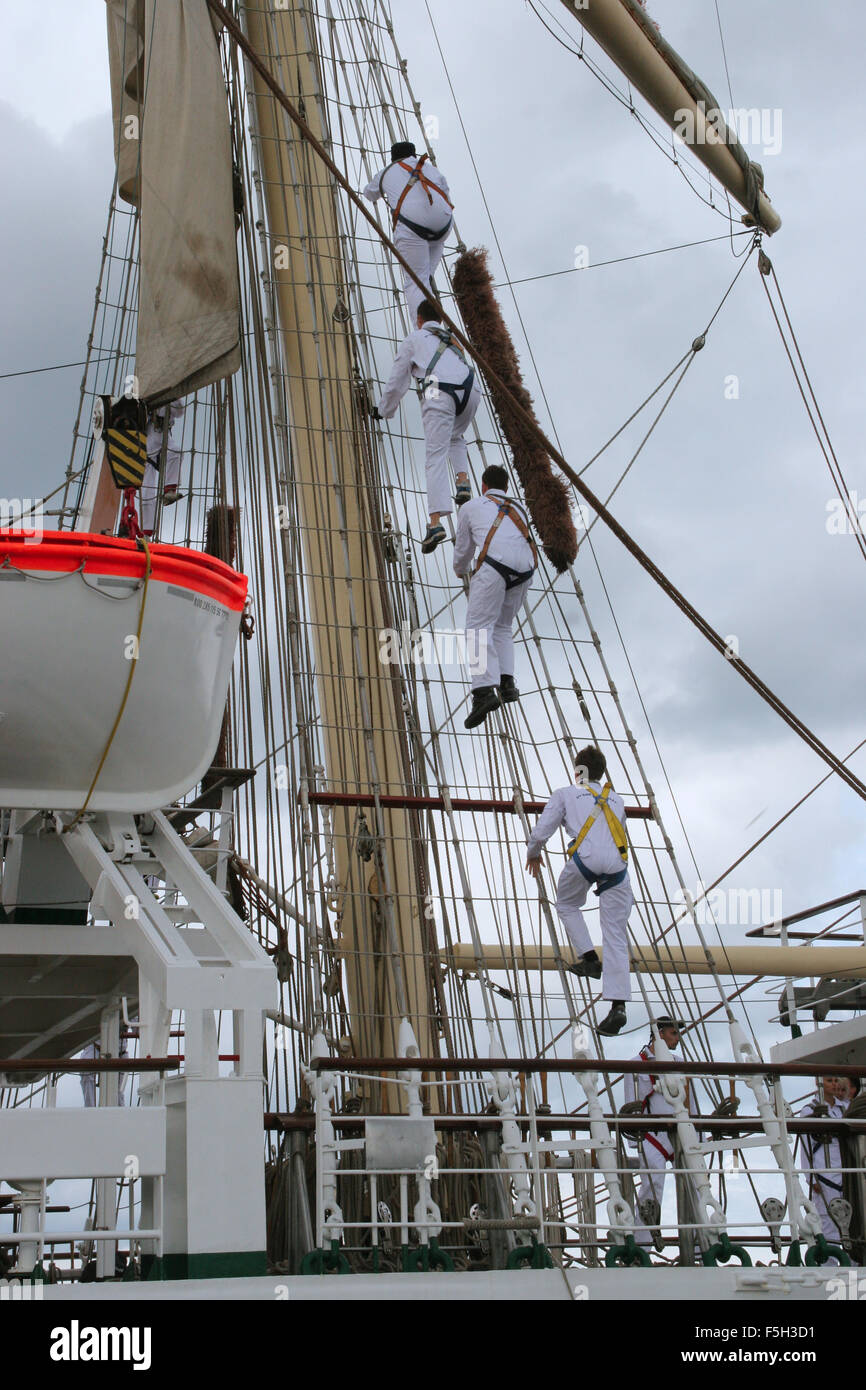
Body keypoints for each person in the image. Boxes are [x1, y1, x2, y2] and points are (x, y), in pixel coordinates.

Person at [525, 744, 633, 1036]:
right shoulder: (617, 800)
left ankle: (588, 958)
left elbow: (541, 831)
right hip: (617, 867)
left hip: (584, 861)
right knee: (615, 935)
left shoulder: (565, 794)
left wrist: (533, 853)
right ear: (601, 771)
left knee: (567, 904)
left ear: (577, 772)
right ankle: (618, 1006)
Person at [375, 299, 481, 554]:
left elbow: (397, 382)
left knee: (435, 455)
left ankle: (435, 523)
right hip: (471, 391)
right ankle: (463, 482)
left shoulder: (415, 338)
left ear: (419, 319)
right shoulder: (454, 339)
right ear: (441, 319)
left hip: (438, 391)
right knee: (455, 435)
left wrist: (382, 411)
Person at [453, 464, 537, 728]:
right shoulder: (519, 509)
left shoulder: (470, 507)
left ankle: (482, 692)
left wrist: (459, 570)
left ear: (483, 486)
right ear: (507, 487)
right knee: (502, 626)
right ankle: (507, 682)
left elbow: (463, 551)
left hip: (496, 566)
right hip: (525, 570)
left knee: (477, 627)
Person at [363, 140, 453, 319]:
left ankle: (425, 330)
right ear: (413, 154)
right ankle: (433, 317)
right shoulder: (431, 169)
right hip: (443, 224)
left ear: (393, 158)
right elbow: (446, 193)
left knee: (415, 281)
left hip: (413, 226)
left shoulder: (388, 171)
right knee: (424, 277)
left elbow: (369, 193)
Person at [623, 1016, 688, 1250]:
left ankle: (700, 1245)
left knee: (695, 1185)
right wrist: (635, 1139)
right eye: (673, 1034)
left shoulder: (680, 1063)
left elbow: (689, 1103)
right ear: (659, 1034)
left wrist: (696, 1134)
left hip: (679, 1132)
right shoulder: (636, 1065)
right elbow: (631, 1104)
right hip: (650, 1134)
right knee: (652, 1184)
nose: (677, 1039)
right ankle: (643, 1247)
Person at [799, 1076, 853, 1253]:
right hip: (824, 1173)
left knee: (850, 1218)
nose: (835, 1084)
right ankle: (829, 1261)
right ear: (819, 1083)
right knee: (827, 1218)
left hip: (846, 1172)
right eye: (830, 1081)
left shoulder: (844, 1108)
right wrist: (810, 1176)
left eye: (836, 1080)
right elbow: (806, 1145)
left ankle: (852, 1260)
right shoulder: (809, 1110)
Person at [140, 400, 184, 536]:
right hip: (150, 433)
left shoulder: (172, 397)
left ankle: (169, 489)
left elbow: (179, 413)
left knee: (176, 452)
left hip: (163, 432)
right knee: (147, 487)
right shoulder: (148, 395)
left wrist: (172, 397)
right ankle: (146, 530)